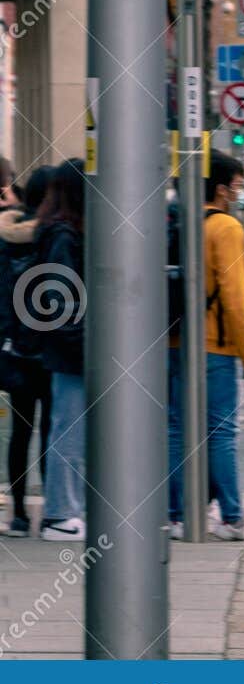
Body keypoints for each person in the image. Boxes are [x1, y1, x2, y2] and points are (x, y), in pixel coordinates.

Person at [167, 154, 244, 541]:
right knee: (221, 433)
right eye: (237, 185)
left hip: (175, 342)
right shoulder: (224, 227)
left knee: (176, 430)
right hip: (215, 346)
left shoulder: (178, 218)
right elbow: (234, 296)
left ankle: (175, 516)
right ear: (221, 189)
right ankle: (232, 518)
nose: (239, 193)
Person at [33, 160, 86, 542]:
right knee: (68, 430)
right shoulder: (64, 236)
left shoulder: (60, 231)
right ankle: (59, 514)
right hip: (71, 352)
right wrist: (84, 346)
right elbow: (60, 301)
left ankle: (68, 509)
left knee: (70, 429)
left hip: (68, 349)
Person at [0, 166, 52, 537]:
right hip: (50, 350)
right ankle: (54, 509)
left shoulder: (6, 235)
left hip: (16, 348)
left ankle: (18, 512)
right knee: (53, 431)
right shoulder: (56, 234)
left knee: (21, 430)